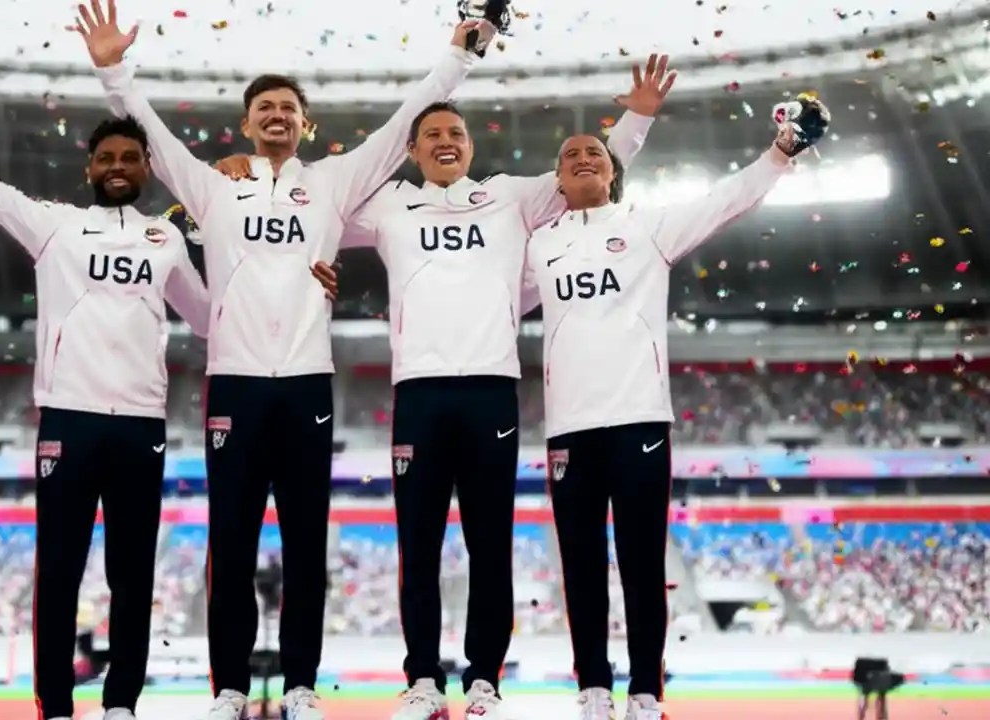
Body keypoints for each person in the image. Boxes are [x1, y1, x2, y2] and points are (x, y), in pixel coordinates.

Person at [214, 53, 674, 720]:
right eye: (431, 135)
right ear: (412, 150)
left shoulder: (510, 198)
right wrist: (250, 169)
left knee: (490, 546)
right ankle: (424, 681)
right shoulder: (385, 206)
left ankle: (483, 681)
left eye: (455, 133)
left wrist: (638, 120)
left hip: (492, 390)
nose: (445, 142)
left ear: (470, 145)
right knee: (419, 547)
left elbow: (589, 174)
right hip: (419, 393)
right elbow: (301, 218)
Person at [69, 2, 496, 719]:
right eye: (264, 108)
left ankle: (300, 686)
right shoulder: (212, 187)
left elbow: (404, 125)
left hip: (306, 384)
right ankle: (230, 690)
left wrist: (458, 55)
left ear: (305, 125)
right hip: (234, 382)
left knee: (305, 546)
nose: (276, 116)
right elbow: (153, 137)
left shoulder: (333, 182)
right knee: (231, 545)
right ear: (246, 124)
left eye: (288, 109)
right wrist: (115, 70)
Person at [0, 72, 210, 720]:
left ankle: (121, 706)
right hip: (70, 420)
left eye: (130, 157)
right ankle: (58, 708)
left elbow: (209, 317)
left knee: (133, 574)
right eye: (107, 157)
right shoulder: (55, 227)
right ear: (89, 167)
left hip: (142, 424)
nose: (118, 166)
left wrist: (282, 273)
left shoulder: (167, 239)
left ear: (146, 167)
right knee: (59, 571)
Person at [525, 95, 830, 720]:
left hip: (639, 419)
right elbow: (475, 291)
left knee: (642, 565)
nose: (583, 157)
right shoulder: (535, 246)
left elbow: (724, 200)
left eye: (595, 151)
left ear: (613, 169)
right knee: (581, 568)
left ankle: (644, 694)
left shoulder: (648, 225)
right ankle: (592, 693)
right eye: (570, 154)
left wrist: (780, 153)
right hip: (569, 427)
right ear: (556, 179)